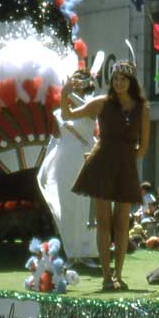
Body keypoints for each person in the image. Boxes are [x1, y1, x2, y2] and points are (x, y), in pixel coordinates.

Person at [63, 60, 149, 291]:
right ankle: (106, 277)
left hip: (126, 166)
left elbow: (143, 146)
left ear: (131, 82)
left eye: (123, 79)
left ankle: (118, 274)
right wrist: (65, 93)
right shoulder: (101, 102)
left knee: (122, 223)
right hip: (101, 163)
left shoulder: (142, 107)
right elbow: (68, 114)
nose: (119, 83)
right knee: (103, 221)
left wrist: (126, 161)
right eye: (116, 78)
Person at [37, 67, 99, 270]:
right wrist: (47, 166)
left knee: (87, 207)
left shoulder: (92, 105)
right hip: (65, 163)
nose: (77, 82)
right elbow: (55, 140)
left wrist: (69, 92)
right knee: (68, 206)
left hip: (86, 159)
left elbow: (85, 109)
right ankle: (72, 253)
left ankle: (88, 252)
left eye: (81, 80)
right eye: (74, 79)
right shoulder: (59, 112)